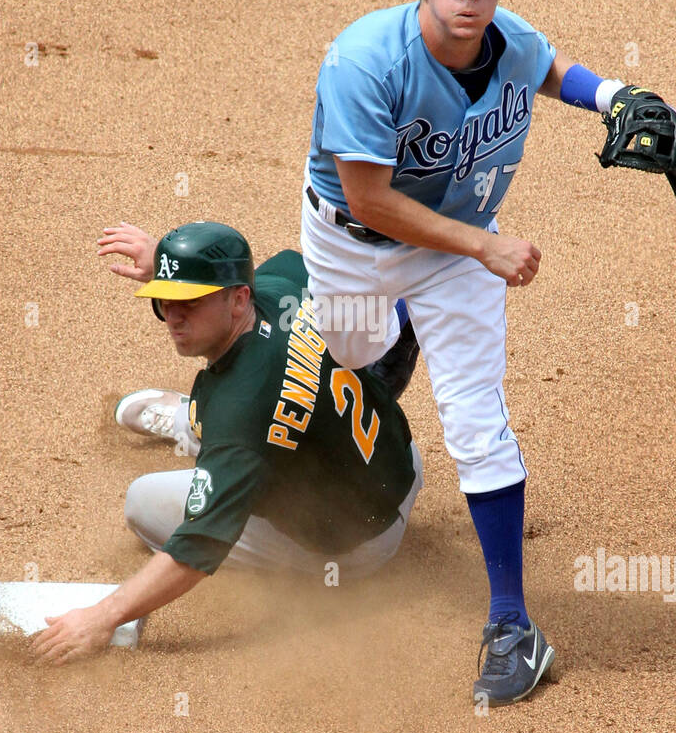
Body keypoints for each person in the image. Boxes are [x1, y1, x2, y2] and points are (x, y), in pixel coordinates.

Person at [300, 0, 676, 706]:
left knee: (475, 421)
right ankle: (397, 329)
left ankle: (511, 624)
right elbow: (370, 201)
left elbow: (551, 69)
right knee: (353, 358)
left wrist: (616, 95)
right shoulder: (364, 62)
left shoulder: (509, 39)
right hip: (352, 243)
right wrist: (485, 247)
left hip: (459, 256)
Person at [31, 221, 422, 666]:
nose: (173, 316)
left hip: (358, 546)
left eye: (190, 302)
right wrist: (174, 267)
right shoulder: (283, 282)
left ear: (238, 299)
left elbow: (197, 547)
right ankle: (196, 421)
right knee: (255, 422)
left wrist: (102, 617)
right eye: (165, 300)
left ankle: (195, 423)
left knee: (142, 502)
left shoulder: (241, 410)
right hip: (401, 463)